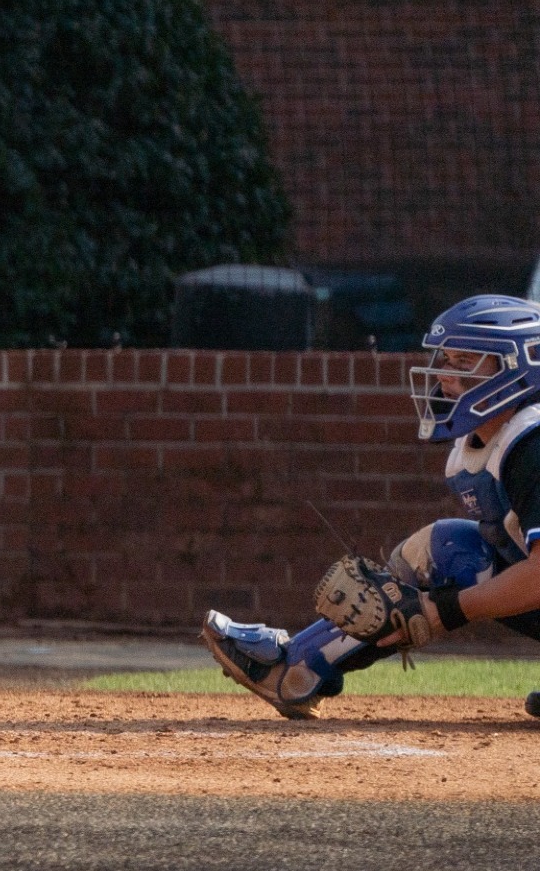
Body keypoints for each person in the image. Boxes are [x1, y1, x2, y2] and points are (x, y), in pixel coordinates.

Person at [204, 294, 540, 718]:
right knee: (445, 548)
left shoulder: (533, 443)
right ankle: (296, 666)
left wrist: (444, 611)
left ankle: (295, 665)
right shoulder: (496, 440)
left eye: (465, 360)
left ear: (519, 365)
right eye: (447, 358)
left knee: (455, 557)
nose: (446, 375)